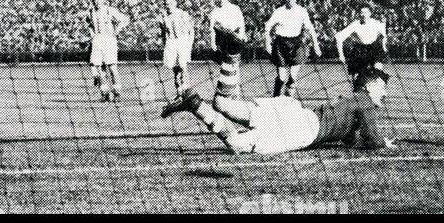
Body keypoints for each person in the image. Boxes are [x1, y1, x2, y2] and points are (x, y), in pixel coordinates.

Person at [161, 67, 397, 154]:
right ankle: (194, 104)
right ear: (370, 86)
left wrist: (355, 138)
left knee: (223, 105)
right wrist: (383, 143)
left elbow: (348, 136)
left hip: (295, 111)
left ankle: (229, 61)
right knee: (234, 143)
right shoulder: (364, 102)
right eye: (382, 88)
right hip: (301, 131)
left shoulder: (352, 100)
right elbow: (372, 139)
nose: (385, 94)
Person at [264, 0, 321, 97]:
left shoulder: (301, 11)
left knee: (293, 77)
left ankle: (288, 98)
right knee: (281, 78)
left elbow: (310, 29)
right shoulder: (279, 11)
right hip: (281, 44)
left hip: (296, 43)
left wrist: (316, 45)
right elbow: (268, 27)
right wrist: (267, 43)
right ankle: (276, 95)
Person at [88, 0, 129, 102]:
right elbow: (89, 24)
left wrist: (116, 31)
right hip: (97, 40)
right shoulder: (91, 12)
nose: (96, 1)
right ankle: (104, 93)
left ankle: (117, 93)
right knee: (99, 69)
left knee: (112, 68)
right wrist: (92, 34)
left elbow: (124, 19)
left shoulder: (109, 10)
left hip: (108, 40)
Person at [335, 5, 388, 91]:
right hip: (360, 51)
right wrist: (341, 55)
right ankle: (360, 86)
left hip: (374, 49)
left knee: (378, 69)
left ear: (370, 13)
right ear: (359, 14)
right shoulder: (355, 24)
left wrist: (384, 46)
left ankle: (379, 90)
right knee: (358, 82)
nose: (363, 15)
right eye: (361, 12)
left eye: (365, 12)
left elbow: (383, 35)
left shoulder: (376, 23)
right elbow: (339, 37)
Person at [207, 0, 247, 99]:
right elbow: (212, 30)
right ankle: (227, 91)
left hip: (234, 39)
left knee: (234, 65)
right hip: (222, 41)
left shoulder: (235, 8)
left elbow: (241, 24)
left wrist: (241, 37)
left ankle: (236, 92)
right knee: (225, 66)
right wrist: (213, 44)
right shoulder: (214, 11)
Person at [160, 0, 195, 94]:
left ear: (175, 3)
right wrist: (165, 45)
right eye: (166, 4)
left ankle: (186, 91)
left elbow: (191, 30)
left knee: (183, 65)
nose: (168, 6)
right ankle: (179, 91)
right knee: (175, 69)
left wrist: (189, 44)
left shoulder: (183, 14)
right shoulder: (163, 17)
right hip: (170, 43)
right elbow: (163, 33)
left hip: (182, 41)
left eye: (170, 3)